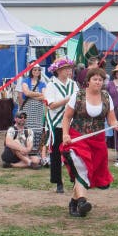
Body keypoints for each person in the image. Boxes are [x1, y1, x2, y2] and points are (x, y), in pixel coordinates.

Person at [62, 67, 118, 217]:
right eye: (95, 79)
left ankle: (73, 203)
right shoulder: (78, 95)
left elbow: (111, 118)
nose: (98, 82)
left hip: (97, 141)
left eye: (100, 80)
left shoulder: (107, 97)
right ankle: (82, 201)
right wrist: (65, 134)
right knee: (80, 166)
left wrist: (116, 124)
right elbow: (67, 117)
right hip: (77, 137)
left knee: (87, 172)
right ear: (88, 81)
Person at [44, 57, 78, 194]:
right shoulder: (51, 85)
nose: (69, 71)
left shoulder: (73, 84)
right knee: (56, 154)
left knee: (73, 152)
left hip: (71, 124)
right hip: (56, 124)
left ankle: (74, 177)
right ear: (58, 70)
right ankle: (58, 181)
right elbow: (51, 105)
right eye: (66, 69)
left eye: (69, 68)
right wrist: (68, 100)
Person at [16, 61, 47, 157]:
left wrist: (32, 94)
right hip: (28, 108)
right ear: (31, 71)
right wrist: (39, 95)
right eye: (34, 69)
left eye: (38, 70)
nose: (36, 71)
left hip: (38, 109)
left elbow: (44, 96)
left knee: (38, 129)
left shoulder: (42, 83)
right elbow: (26, 93)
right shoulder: (25, 80)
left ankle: (35, 151)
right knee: (27, 128)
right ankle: (26, 150)